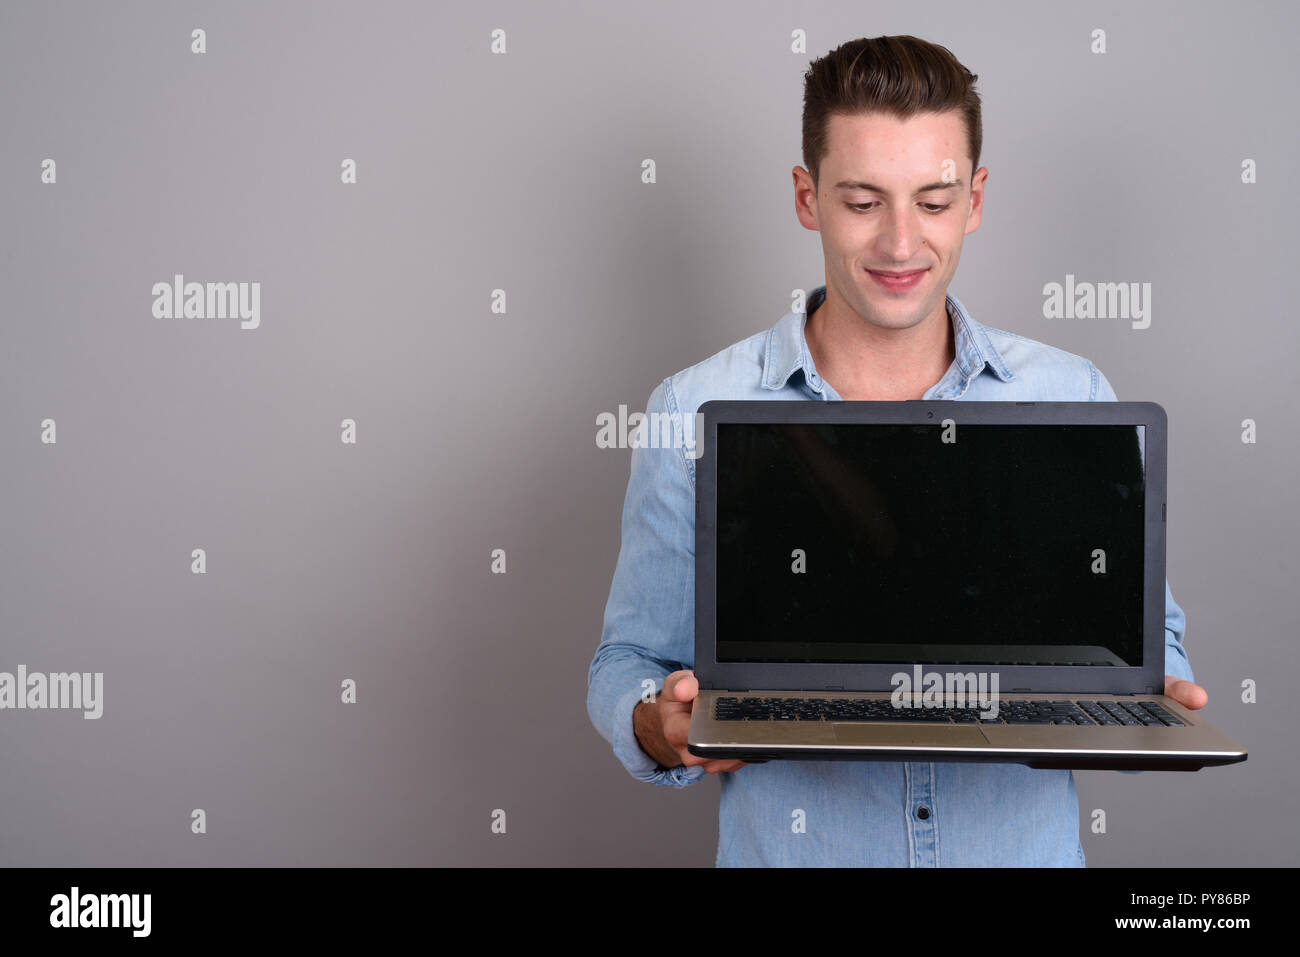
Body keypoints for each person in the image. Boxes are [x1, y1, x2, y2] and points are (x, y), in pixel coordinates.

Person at [586, 34, 1206, 866]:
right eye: (863, 200)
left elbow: (1146, 638)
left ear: (977, 197)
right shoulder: (692, 408)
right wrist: (656, 723)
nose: (901, 244)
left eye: (935, 201)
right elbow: (627, 659)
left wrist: (1150, 690)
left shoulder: (1072, 397)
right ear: (807, 198)